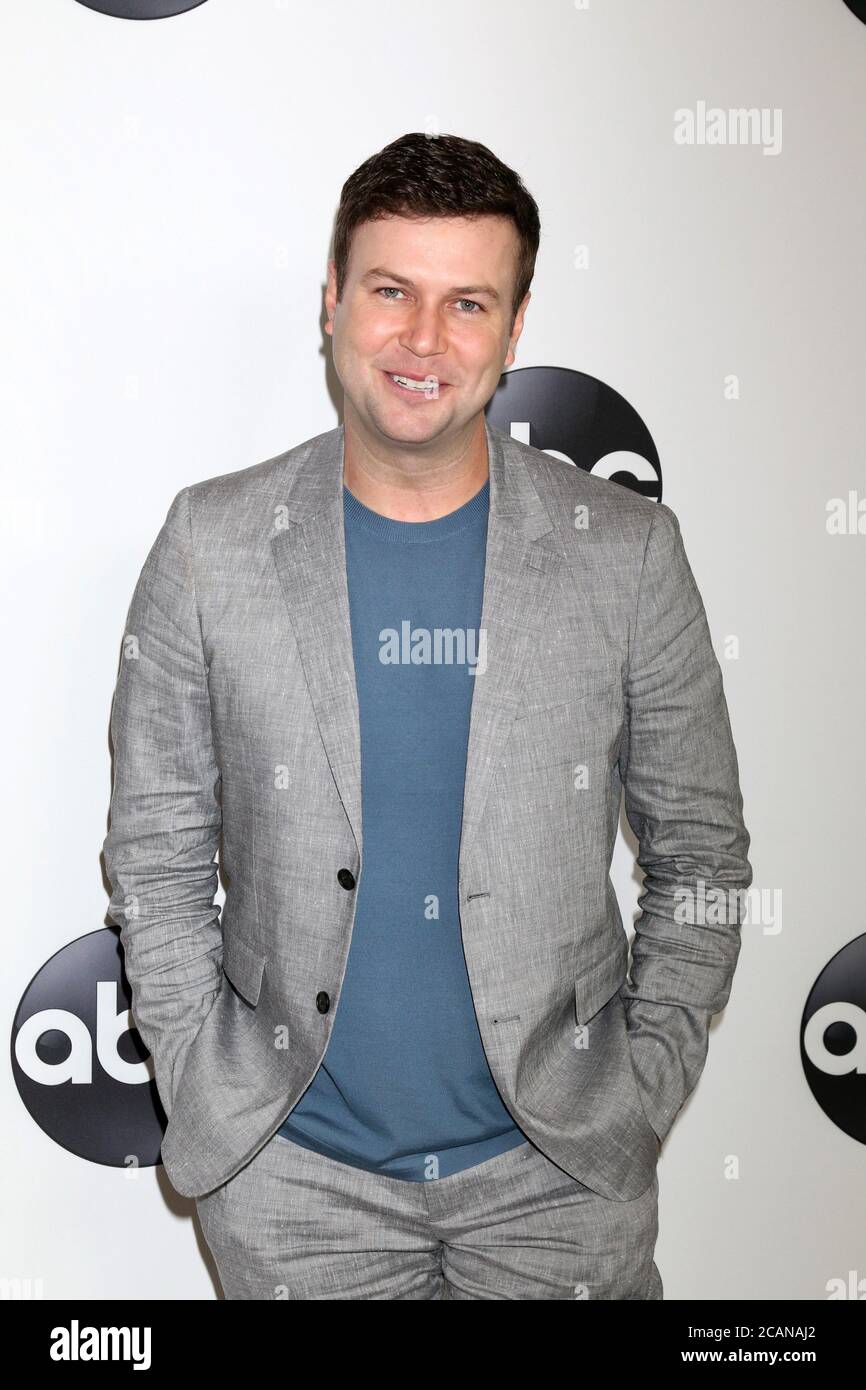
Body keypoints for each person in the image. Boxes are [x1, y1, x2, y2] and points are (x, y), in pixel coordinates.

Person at [102, 132, 752, 1300]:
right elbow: (155, 856)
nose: (420, 339)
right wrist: (208, 1083)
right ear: (331, 304)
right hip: (296, 1191)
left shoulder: (628, 556)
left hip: (557, 1184)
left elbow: (700, 855)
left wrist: (639, 1085)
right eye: (390, 291)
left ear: (512, 333)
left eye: (466, 304)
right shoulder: (211, 543)